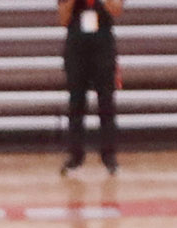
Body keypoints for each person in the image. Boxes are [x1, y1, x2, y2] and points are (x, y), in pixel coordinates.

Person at [59, 0, 121, 174]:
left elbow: (116, 10)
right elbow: (63, 19)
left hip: (103, 49)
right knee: (76, 104)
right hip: (76, 50)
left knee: (106, 103)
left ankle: (109, 157)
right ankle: (75, 157)